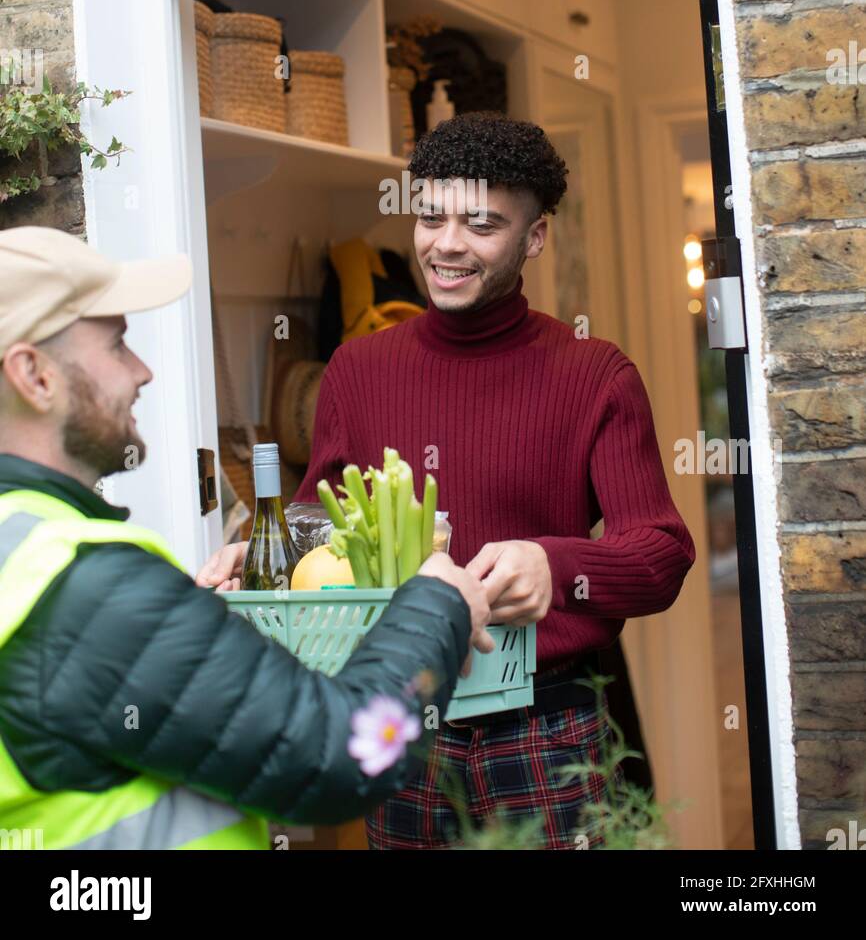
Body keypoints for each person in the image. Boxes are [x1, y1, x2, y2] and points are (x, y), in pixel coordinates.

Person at [199, 112, 697, 850]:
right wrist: (265, 558)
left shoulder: (595, 375)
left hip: (549, 731)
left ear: (534, 237)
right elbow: (321, 524)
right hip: (403, 718)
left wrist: (556, 567)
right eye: (430, 216)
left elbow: (660, 553)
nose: (447, 244)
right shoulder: (358, 371)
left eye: (482, 224)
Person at [0, 226, 492, 851]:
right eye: (119, 344)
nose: (144, 371)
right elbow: (340, 755)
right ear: (34, 375)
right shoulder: (84, 583)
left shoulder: (23, 548)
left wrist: (204, 638)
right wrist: (439, 603)